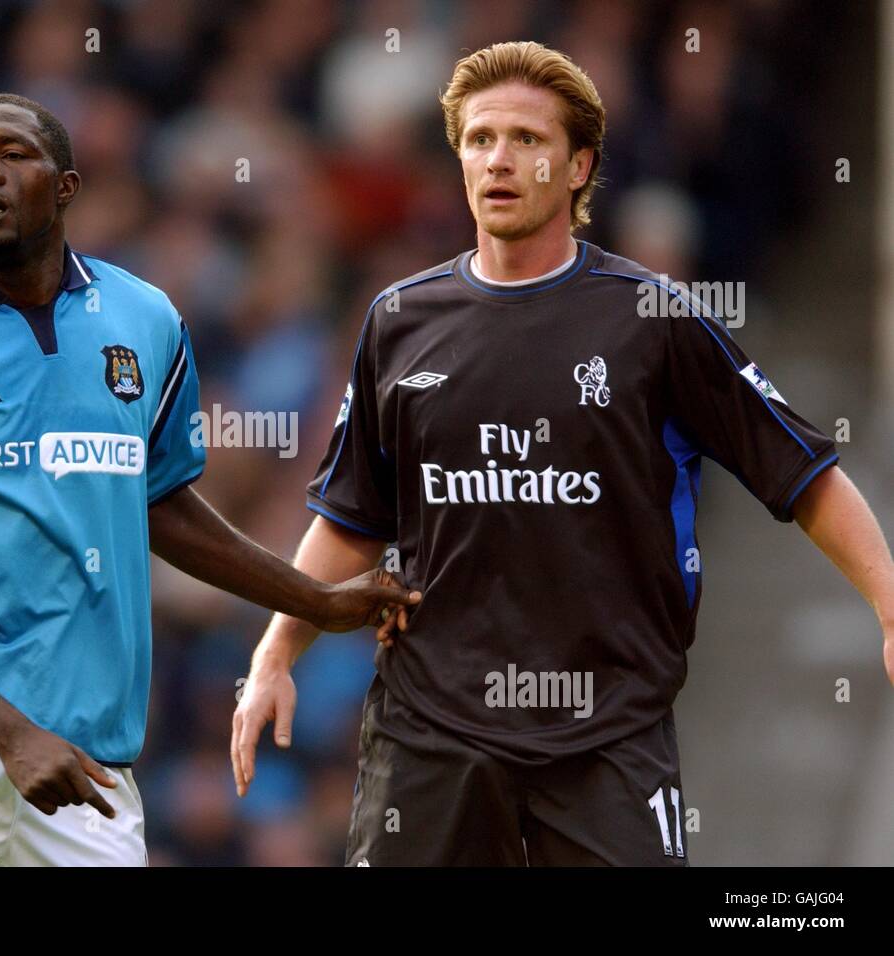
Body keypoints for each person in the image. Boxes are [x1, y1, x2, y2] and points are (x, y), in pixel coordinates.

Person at [231, 41, 894, 866]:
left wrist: (890, 604)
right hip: (432, 732)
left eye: (527, 140)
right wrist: (274, 654)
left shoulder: (652, 320)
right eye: (479, 139)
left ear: (578, 167)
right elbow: (351, 518)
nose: (498, 160)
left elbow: (804, 474)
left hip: (607, 734)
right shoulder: (397, 320)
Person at [0, 93, 418, 867]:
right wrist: (8, 732)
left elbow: (160, 505)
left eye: (11, 155)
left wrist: (313, 600)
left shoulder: (144, 323)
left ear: (67, 186)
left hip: (84, 771)